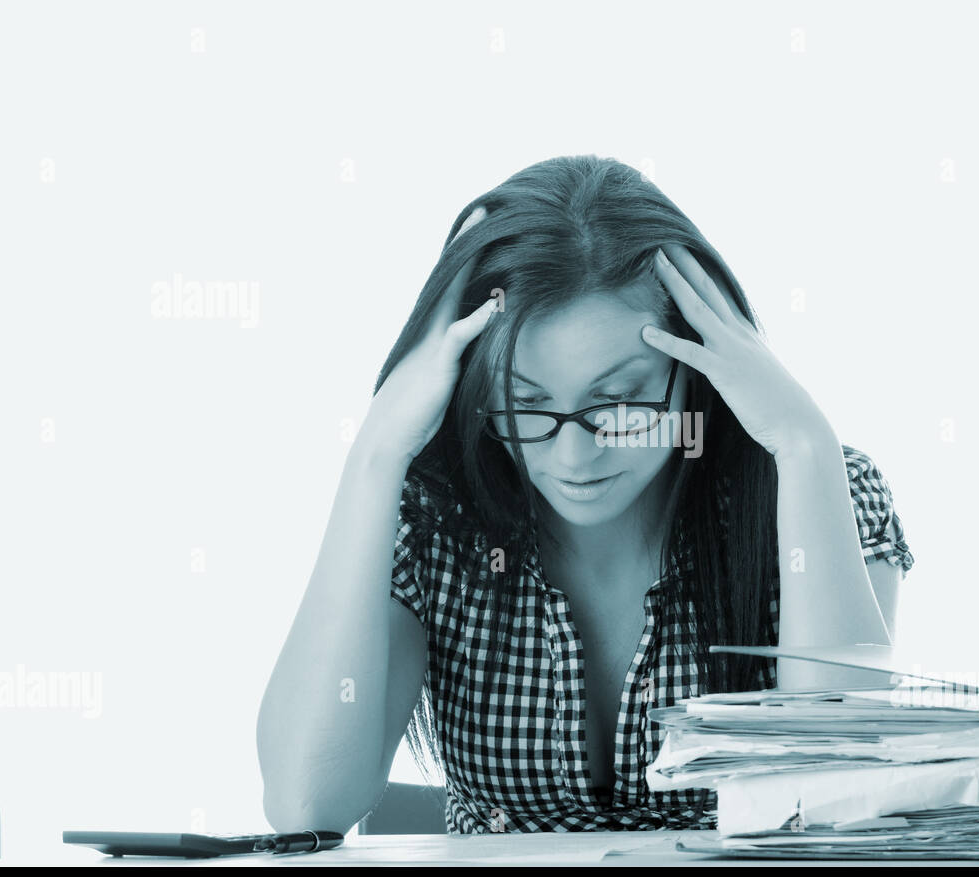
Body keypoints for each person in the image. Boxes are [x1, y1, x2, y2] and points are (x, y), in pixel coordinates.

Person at [257, 155, 915, 835]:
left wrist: (805, 446)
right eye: (523, 403)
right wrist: (375, 455)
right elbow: (308, 805)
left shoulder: (818, 493)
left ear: (699, 367)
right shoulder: (432, 519)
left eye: (620, 399)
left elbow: (840, 799)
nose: (573, 454)